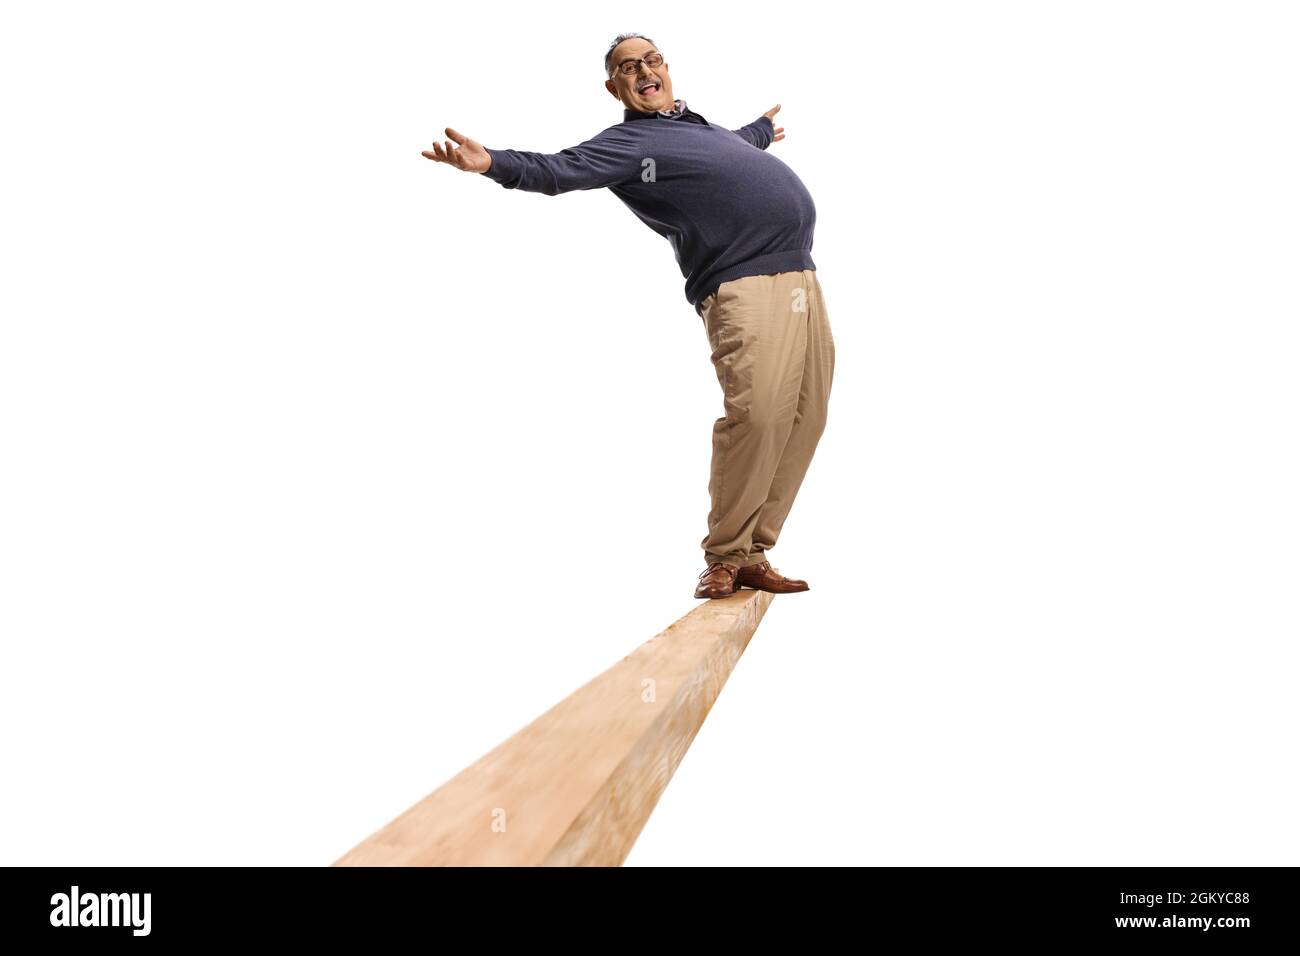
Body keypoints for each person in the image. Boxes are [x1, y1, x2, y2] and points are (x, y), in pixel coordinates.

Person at [422, 33, 835, 599]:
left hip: (802, 278)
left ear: (667, 68)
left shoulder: (700, 130)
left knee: (806, 418)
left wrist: (758, 133)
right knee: (760, 415)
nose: (644, 70)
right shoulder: (629, 144)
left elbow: (733, 150)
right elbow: (558, 170)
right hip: (745, 282)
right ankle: (725, 553)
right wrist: (493, 163)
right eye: (628, 66)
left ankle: (753, 550)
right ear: (614, 85)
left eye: (652, 59)